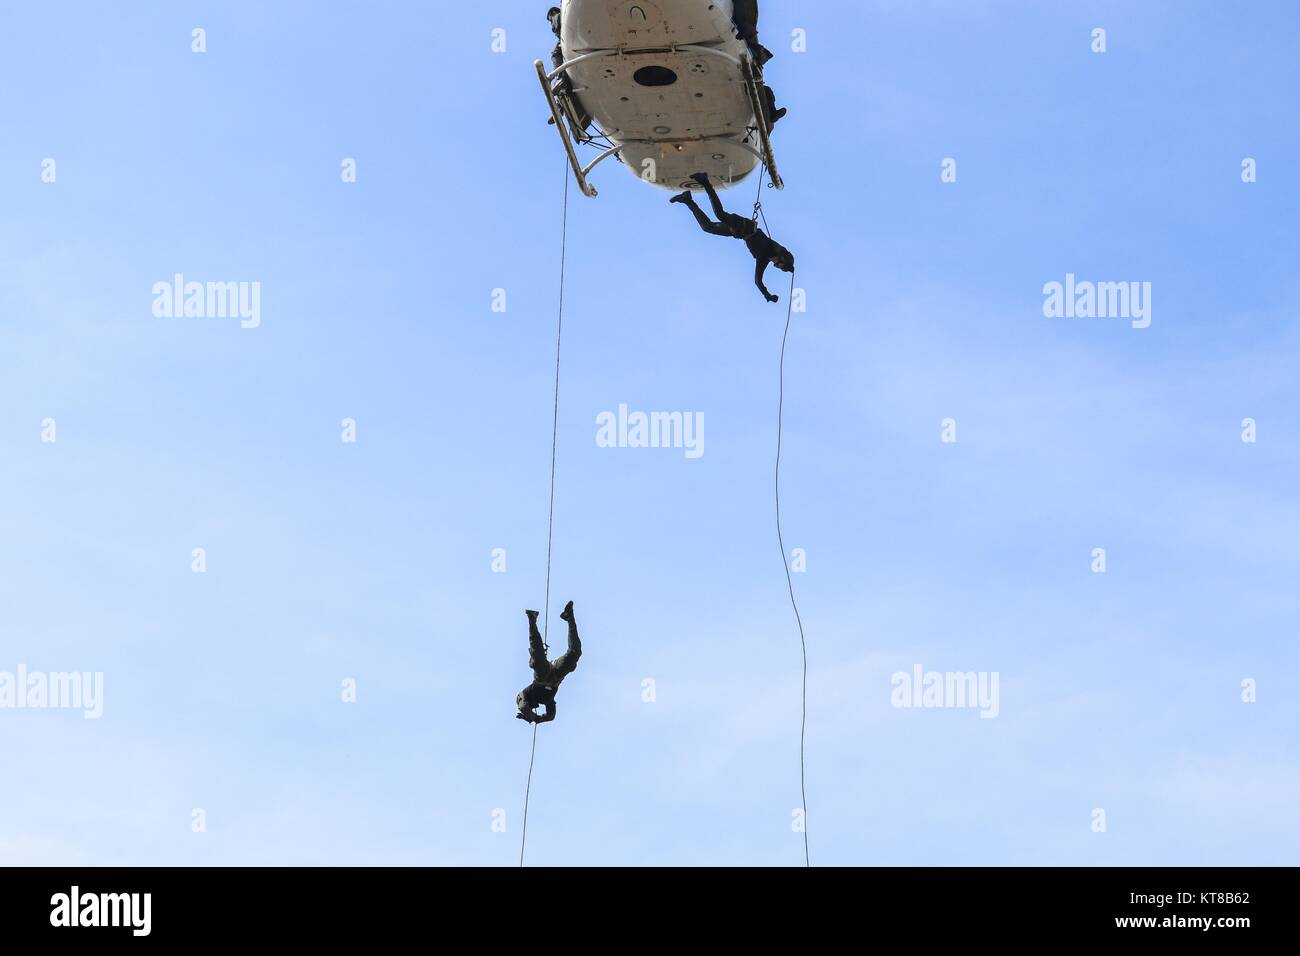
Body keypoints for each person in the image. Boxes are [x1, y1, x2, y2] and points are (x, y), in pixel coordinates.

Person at [670, 172, 795, 303]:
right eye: (779, 265)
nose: (776, 265)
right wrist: (789, 265)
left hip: (738, 233)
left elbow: (757, 280)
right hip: (745, 226)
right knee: (720, 214)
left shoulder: (763, 260)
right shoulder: (774, 249)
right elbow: (782, 251)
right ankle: (705, 181)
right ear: (782, 259)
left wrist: (767, 295)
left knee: (707, 227)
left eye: (778, 266)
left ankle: (687, 200)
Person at [516, 601, 582, 724]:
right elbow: (551, 716)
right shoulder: (548, 701)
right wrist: (539, 719)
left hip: (542, 675)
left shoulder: (526, 693)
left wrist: (533, 718)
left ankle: (532, 619)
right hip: (557, 675)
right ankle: (569, 617)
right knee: (574, 653)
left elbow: (523, 706)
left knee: (537, 657)